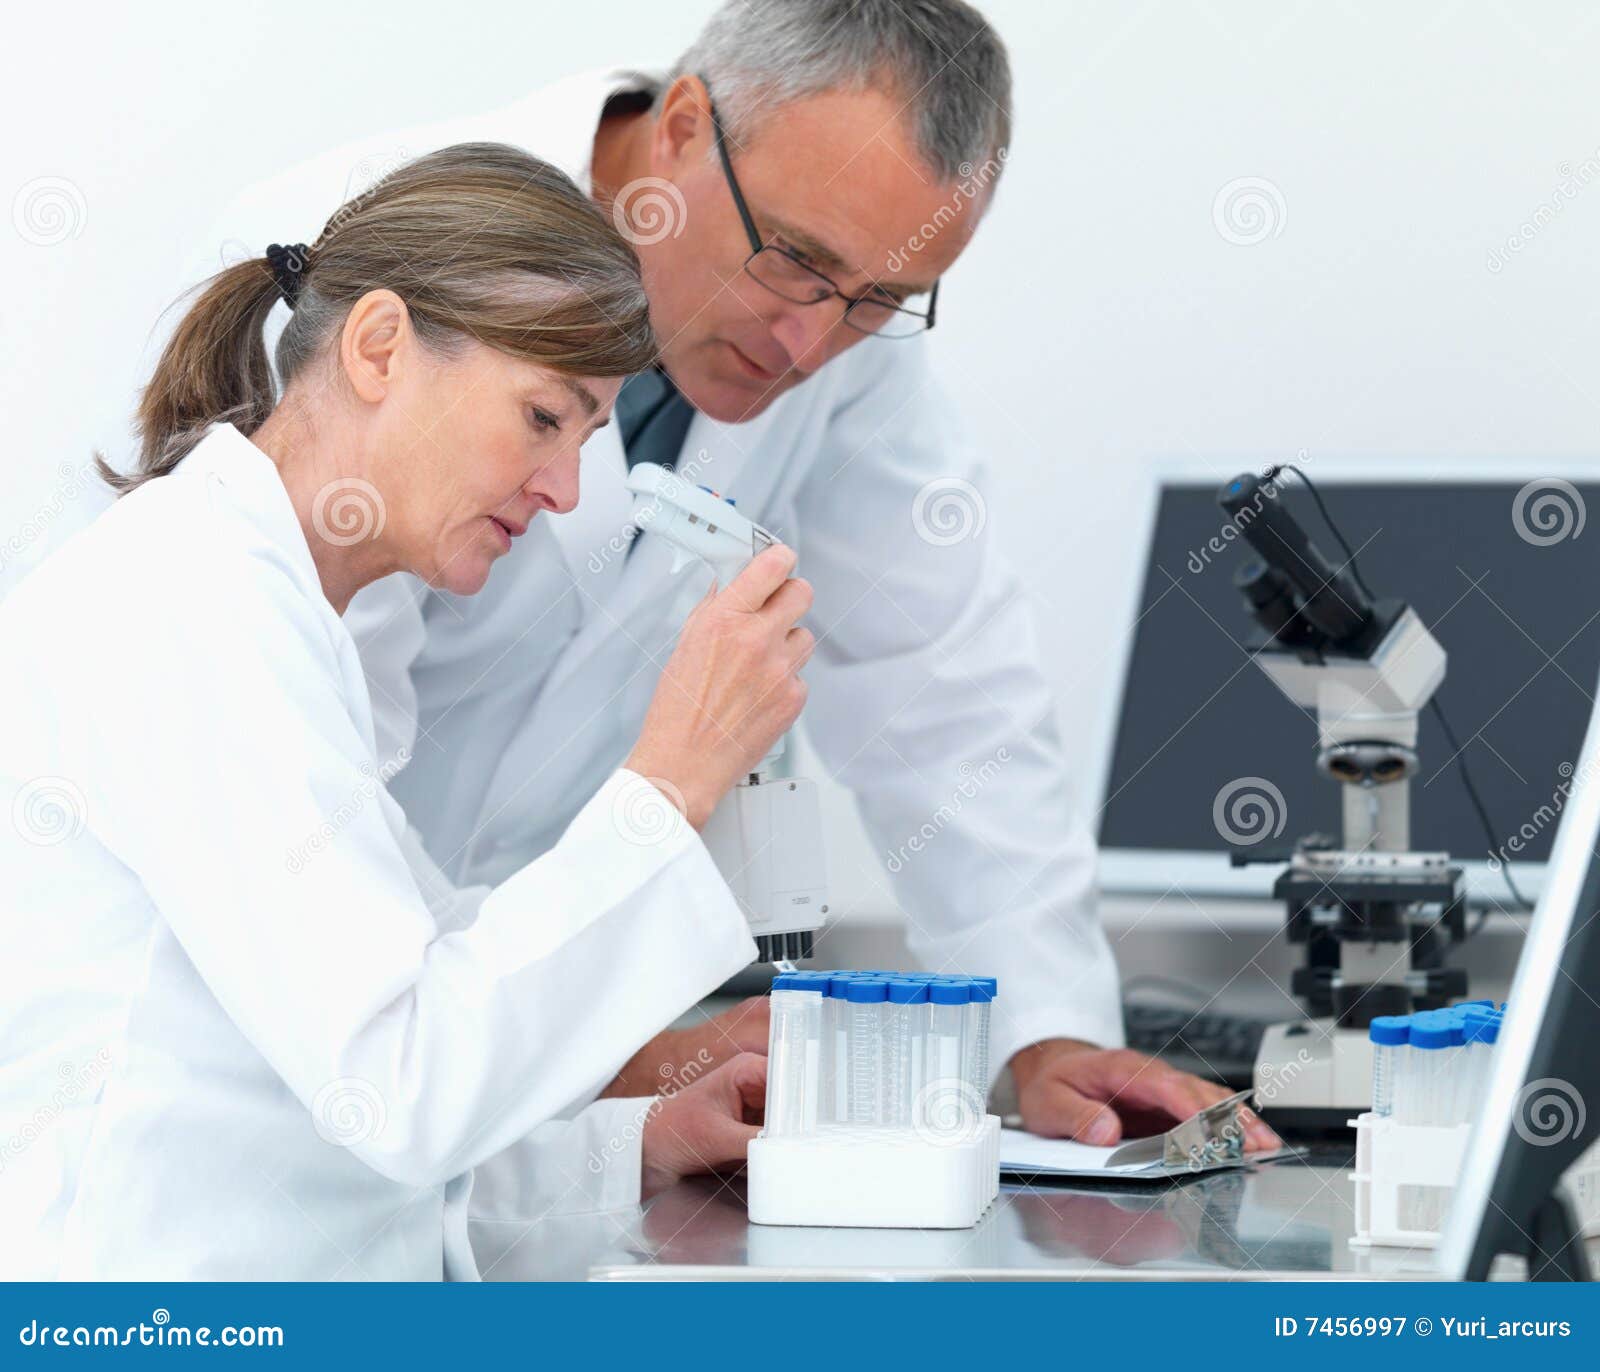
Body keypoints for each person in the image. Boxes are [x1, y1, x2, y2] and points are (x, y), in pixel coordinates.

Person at [156, 0, 1278, 1155]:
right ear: (683, 126)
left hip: (459, 1063)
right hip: (252, 1076)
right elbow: (311, 794)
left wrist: (1040, 1031)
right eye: (796, 259)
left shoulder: (842, 350)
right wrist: (596, 983)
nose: (809, 344)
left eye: (881, 301)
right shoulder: (366, 267)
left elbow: (942, 687)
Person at [0, 144, 813, 1280]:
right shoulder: (188, 606)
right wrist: (672, 777)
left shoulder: (288, 621)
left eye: (589, 441)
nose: (567, 490)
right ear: (380, 346)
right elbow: (400, 1087)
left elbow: (357, 1133)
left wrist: (635, 1142)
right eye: (543, 416)